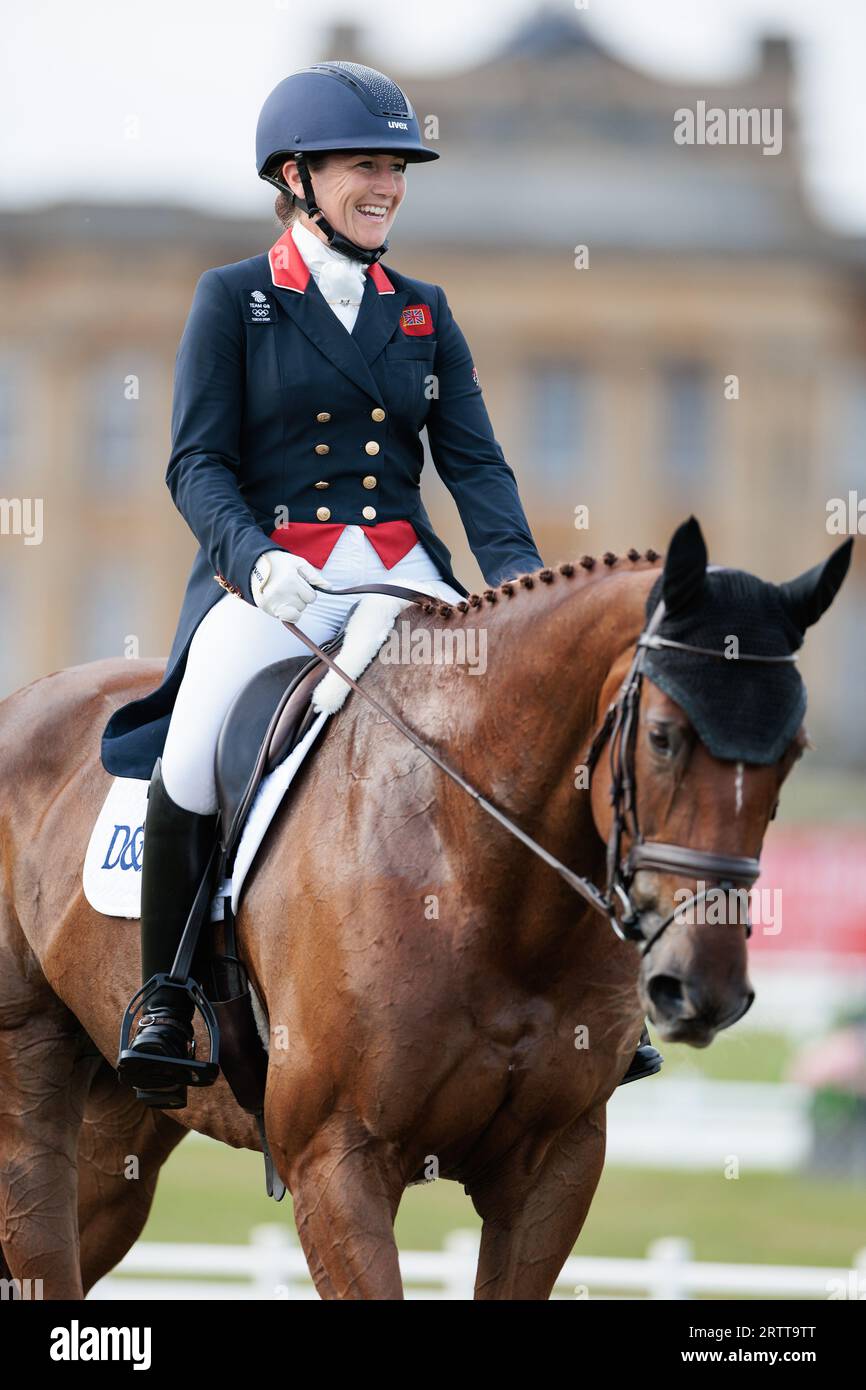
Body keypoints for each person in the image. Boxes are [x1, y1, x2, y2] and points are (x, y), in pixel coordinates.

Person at [106, 60, 659, 1105]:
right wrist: (256, 565)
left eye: (396, 169)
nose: (388, 187)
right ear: (296, 175)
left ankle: (583, 994)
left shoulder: (422, 311)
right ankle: (168, 995)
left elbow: (477, 467)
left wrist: (523, 599)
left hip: (406, 578)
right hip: (274, 580)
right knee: (190, 751)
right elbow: (195, 464)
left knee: (536, 740)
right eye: (367, 166)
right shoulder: (234, 298)